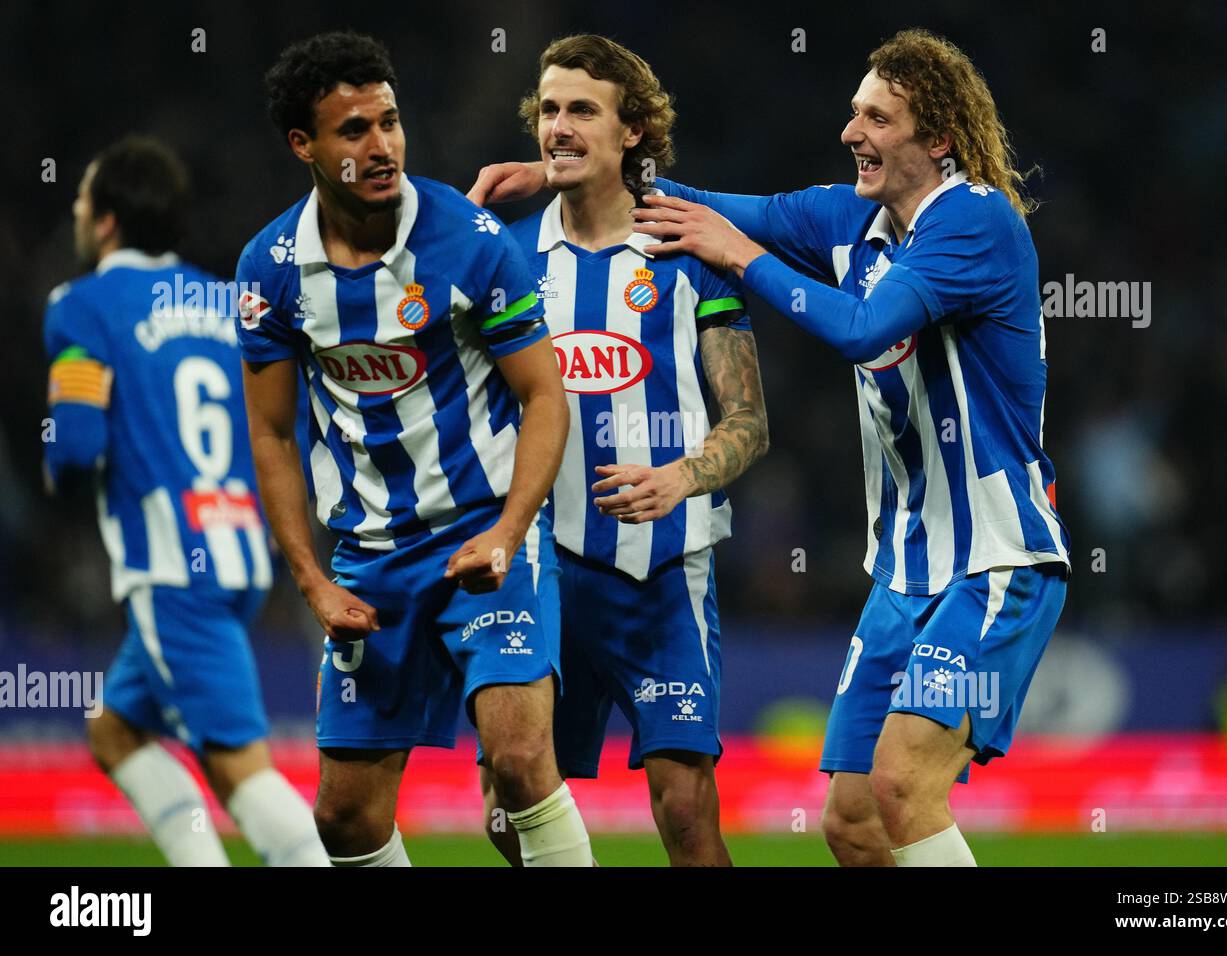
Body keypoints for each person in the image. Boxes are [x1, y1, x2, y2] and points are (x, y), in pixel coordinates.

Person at [470, 28, 1069, 867]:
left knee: (903, 785)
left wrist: (745, 260)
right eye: (854, 113)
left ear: (936, 140)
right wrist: (567, 171)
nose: (850, 133)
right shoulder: (848, 219)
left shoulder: (975, 221)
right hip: (905, 571)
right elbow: (707, 207)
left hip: (995, 560)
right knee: (853, 823)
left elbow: (862, 329)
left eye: (876, 119)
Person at [238, 31, 590, 867]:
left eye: (390, 122)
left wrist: (510, 531)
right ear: (305, 146)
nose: (381, 146)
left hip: (482, 535)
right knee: (345, 819)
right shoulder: (272, 270)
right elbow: (271, 433)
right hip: (370, 559)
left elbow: (546, 397)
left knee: (517, 760)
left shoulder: (467, 240)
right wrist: (312, 580)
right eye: (353, 130)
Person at [477, 35, 768, 867]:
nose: (557, 128)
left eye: (582, 110)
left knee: (684, 808)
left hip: (663, 576)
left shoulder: (687, 249)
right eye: (549, 110)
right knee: (507, 799)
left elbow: (749, 420)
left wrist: (681, 476)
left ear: (631, 131)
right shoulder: (504, 258)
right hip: (540, 572)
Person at [43, 136, 329, 866]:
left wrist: (61, 481)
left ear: (106, 221)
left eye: (82, 201)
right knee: (115, 731)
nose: (77, 212)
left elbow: (75, 445)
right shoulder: (228, 302)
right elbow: (282, 426)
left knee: (239, 765)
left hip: (173, 569)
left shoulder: (82, 306)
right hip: (238, 552)